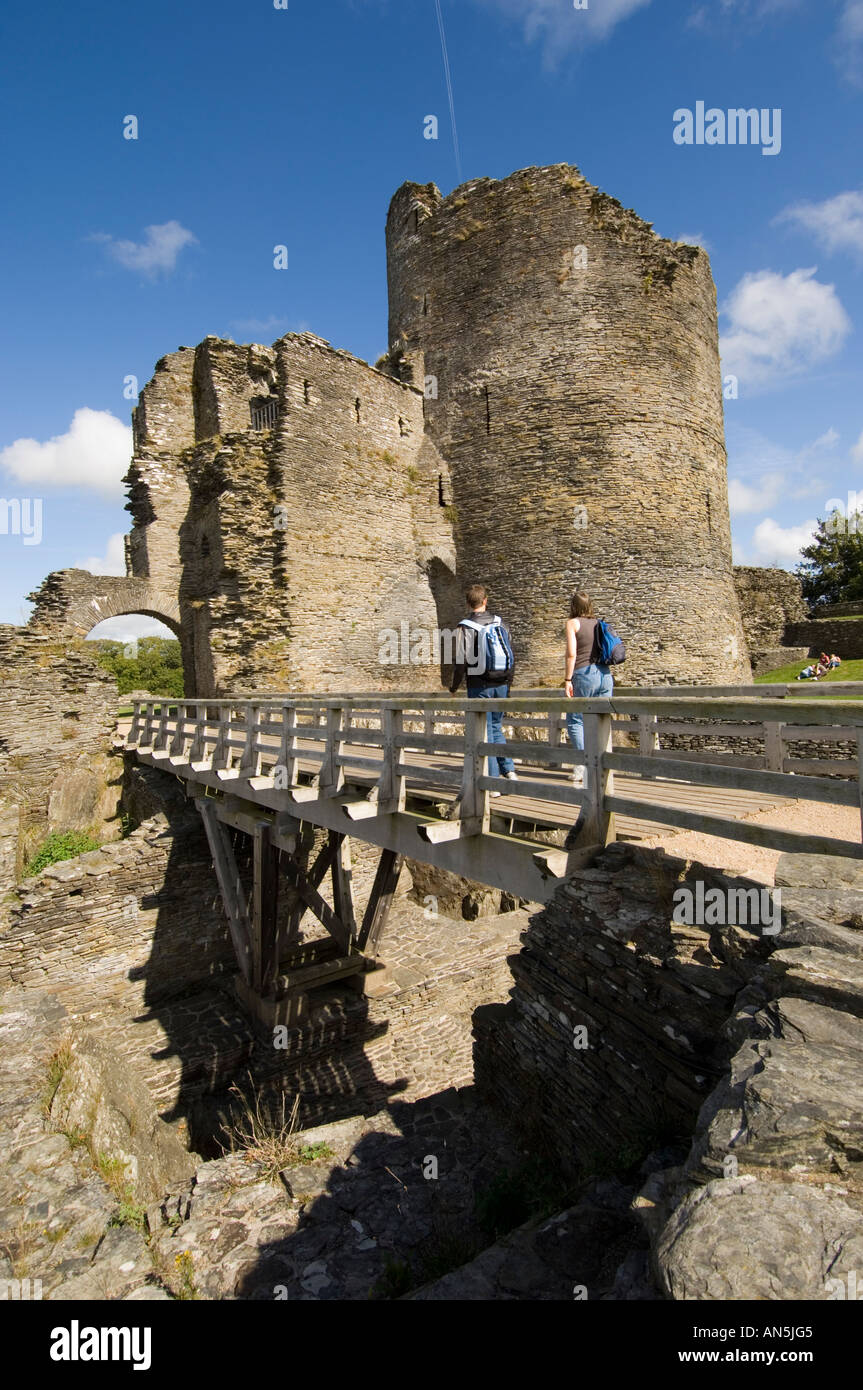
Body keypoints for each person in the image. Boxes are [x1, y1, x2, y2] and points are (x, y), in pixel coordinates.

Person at [450, 583, 517, 793]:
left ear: (468, 603)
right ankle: (510, 771)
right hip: (502, 683)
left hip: (480, 684)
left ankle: (493, 782)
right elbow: (511, 653)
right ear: (485, 601)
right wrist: (509, 682)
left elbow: (460, 662)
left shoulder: (465, 627)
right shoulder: (500, 623)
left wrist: (454, 686)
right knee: (496, 727)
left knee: (484, 731)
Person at [564, 591, 614, 787]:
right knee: (601, 720)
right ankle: (602, 765)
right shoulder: (598, 624)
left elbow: (571, 654)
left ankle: (582, 766)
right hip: (605, 675)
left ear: (573, 606)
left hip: (584, 675)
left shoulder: (572, 623)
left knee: (576, 719)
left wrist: (568, 679)